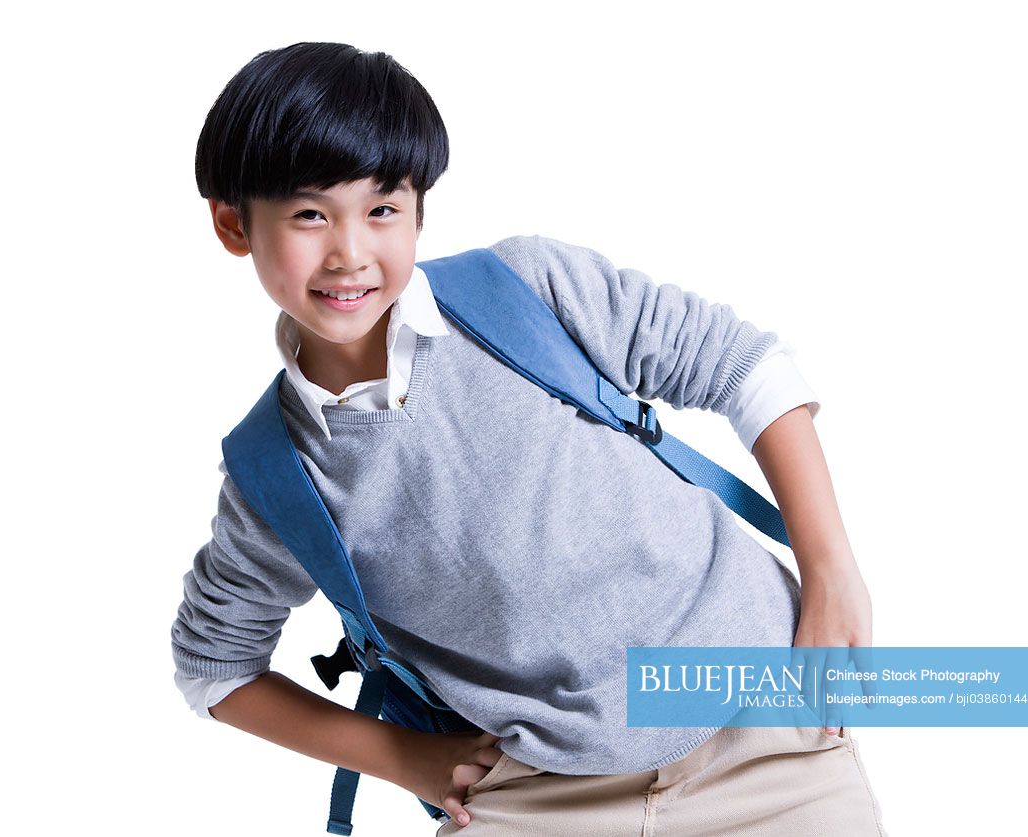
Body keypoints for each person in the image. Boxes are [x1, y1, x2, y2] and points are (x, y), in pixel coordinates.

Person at [171, 41, 887, 836]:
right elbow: (214, 667)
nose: (349, 253)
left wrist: (830, 569)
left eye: (381, 209)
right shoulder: (274, 473)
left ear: (417, 210)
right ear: (233, 223)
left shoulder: (524, 290)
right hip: (541, 794)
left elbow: (742, 367)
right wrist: (406, 757)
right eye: (309, 214)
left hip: (764, 734)